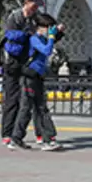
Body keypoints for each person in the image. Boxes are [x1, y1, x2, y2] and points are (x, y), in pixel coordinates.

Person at [11, 13, 65, 151]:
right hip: (29, 77)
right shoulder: (34, 39)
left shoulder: (41, 38)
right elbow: (47, 50)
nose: (50, 31)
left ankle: (46, 138)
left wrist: (57, 33)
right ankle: (18, 138)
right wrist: (52, 37)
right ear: (41, 27)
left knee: (40, 108)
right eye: (49, 28)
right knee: (27, 109)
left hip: (37, 77)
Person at [0, 0, 44, 147]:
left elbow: (43, 32)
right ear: (26, 2)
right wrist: (26, 34)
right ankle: (7, 133)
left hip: (27, 64)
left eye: (38, 5)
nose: (35, 8)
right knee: (12, 98)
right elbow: (9, 34)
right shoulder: (15, 17)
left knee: (27, 100)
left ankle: (30, 134)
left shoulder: (35, 19)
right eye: (34, 4)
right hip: (12, 63)